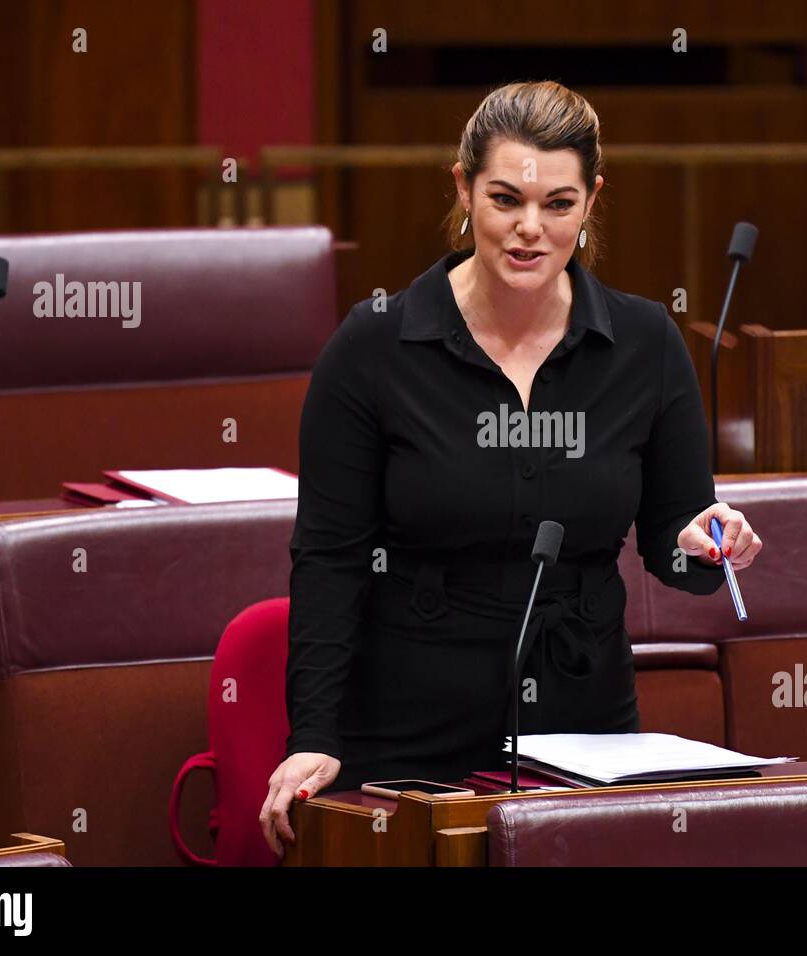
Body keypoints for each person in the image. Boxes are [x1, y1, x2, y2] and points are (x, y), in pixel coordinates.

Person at [260, 80, 762, 856]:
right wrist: (313, 735)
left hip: (586, 721)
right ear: (463, 189)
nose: (530, 229)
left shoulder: (645, 344)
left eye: (558, 204)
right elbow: (330, 558)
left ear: (592, 201)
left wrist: (707, 546)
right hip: (407, 727)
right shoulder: (374, 347)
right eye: (504, 199)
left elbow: (676, 547)